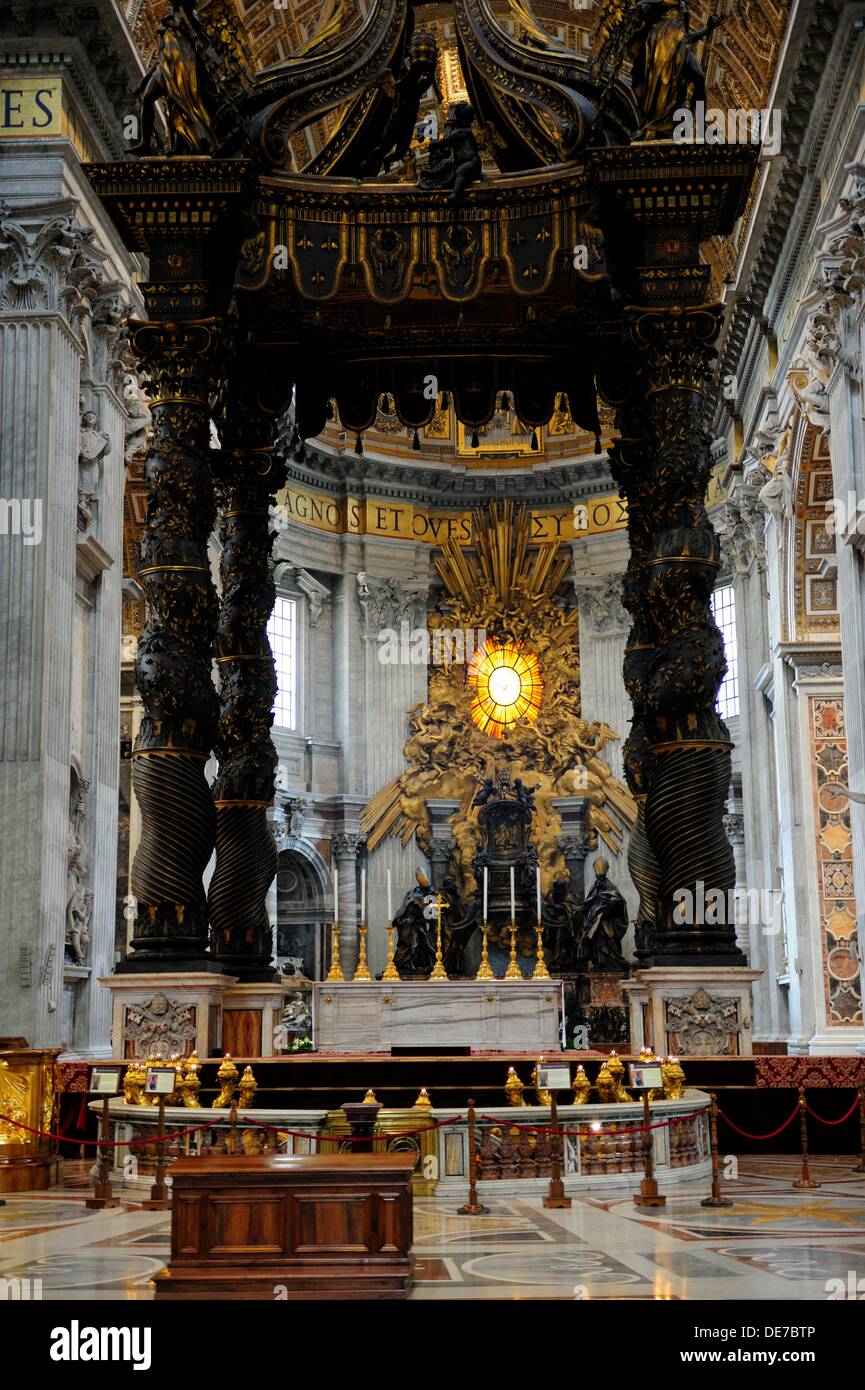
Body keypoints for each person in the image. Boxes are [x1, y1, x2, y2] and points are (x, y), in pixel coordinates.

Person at [582, 856, 629, 970]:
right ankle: (600, 961)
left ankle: (611, 960)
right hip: (596, 921)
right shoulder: (595, 887)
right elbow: (589, 902)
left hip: (608, 921)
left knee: (608, 939)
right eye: (597, 877)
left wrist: (607, 905)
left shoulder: (609, 885)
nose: (599, 880)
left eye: (601, 877)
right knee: (598, 939)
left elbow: (619, 900)